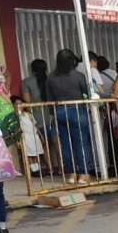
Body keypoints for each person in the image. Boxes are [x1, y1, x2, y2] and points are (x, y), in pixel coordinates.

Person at [45, 49, 94, 185]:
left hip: (59, 111)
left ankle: (72, 174)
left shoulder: (51, 77)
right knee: (81, 143)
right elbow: (87, 92)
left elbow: (49, 98)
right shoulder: (78, 75)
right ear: (72, 60)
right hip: (77, 111)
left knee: (66, 145)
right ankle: (83, 174)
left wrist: (52, 115)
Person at [12, 96, 50, 174]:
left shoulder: (28, 114)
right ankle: (34, 170)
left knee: (36, 153)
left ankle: (38, 169)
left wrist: (41, 135)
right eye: (17, 104)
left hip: (34, 136)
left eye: (21, 104)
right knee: (29, 154)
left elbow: (35, 125)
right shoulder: (15, 116)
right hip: (25, 136)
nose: (19, 106)